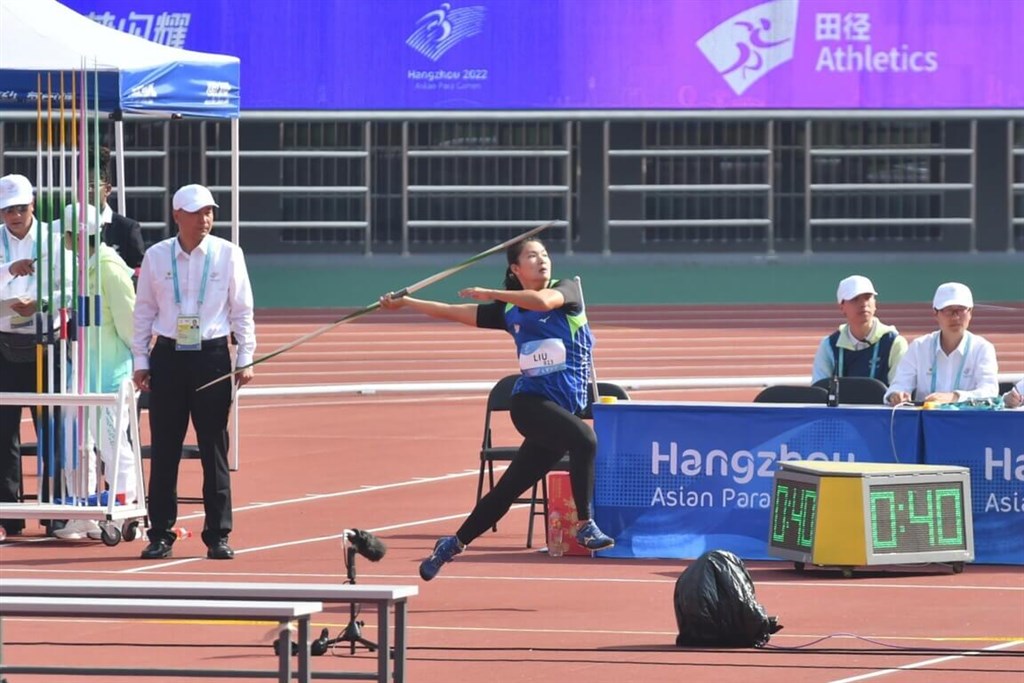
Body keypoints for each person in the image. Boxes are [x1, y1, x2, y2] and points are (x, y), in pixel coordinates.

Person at [378, 238, 615, 581]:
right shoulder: (508, 312)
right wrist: (406, 302)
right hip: (530, 404)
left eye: (544, 254)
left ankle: (453, 543)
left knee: (507, 490)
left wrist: (493, 293)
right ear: (516, 269)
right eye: (532, 256)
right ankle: (585, 524)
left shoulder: (566, 291)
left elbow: (541, 301)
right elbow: (451, 311)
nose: (542, 260)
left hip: (560, 412)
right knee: (585, 440)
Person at [132, 184, 255, 560]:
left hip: (211, 357)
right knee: (165, 448)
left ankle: (218, 534)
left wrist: (245, 356)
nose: (205, 219)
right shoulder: (156, 256)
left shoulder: (228, 253)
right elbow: (144, 311)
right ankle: (160, 533)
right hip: (168, 356)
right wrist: (141, 360)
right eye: (196, 212)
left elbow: (242, 309)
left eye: (209, 212)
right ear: (177, 216)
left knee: (213, 446)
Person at [53, 203, 139, 540]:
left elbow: (130, 325)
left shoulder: (110, 269)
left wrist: (138, 366)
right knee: (77, 443)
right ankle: (82, 513)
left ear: (72, 236)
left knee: (113, 444)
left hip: (110, 373)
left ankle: (123, 510)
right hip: (81, 370)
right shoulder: (80, 268)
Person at [0, 174, 71, 539]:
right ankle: (7, 514)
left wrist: (41, 302)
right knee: (3, 432)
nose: (14, 216)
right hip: (3, 342)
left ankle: (54, 512)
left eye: (20, 208)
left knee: (51, 429)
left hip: (46, 343)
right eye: (7, 210)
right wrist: (8, 271)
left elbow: (70, 289)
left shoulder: (54, 240)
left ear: (33, 205)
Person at [885, 282, 999, 406]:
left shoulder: (982, 349)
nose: (955, 317)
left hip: (968, 418)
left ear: (970, 312)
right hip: (926, 418)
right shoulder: (918, 347)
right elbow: (898, 385)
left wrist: (955, 397)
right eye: (948, 310)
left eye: (960, 310)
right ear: (935, 313)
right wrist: (896, 395)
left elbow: (990, 391)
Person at [811, 275, 908, 386]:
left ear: (875, 303)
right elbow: (819, 388)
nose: (863, 304)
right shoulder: (829, 345)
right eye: (855, 299)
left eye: (868, 297)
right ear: (842, 307)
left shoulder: (895, 343)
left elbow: (899, 387)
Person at [91, 147, 146, 273]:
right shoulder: (65, 227)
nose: (87, 191)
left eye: (93, 186)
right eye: (81, 185)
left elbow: (139, 273)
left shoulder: (127, 229)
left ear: (107, 189)